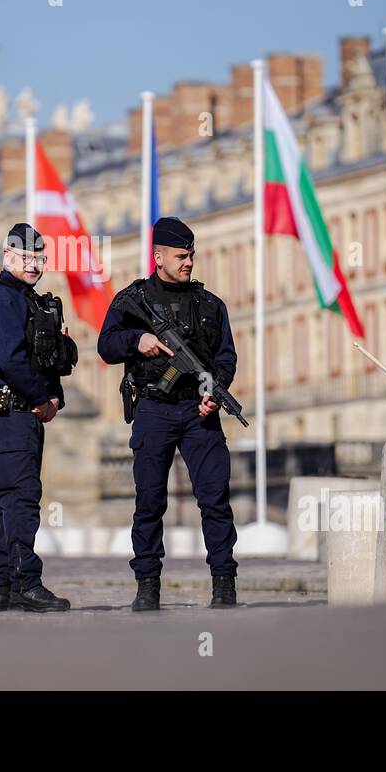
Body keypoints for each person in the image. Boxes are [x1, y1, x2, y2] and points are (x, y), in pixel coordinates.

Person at [97, 216, 239, 611]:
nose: (188, 262)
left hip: (198, 412)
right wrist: (137, 339)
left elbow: (225, 357)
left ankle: (224, 582)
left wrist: (215, 391)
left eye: (191, 255)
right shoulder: (133, 300)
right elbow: (106, 345)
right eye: (180, 255)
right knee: (149, 500)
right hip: (153, 409)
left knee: (214, 499)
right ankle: (147, 584)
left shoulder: (210, 305)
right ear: (158, 256)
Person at [0, 222, 76, 613]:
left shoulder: (28, 300)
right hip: (9, 407)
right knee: (21, 497)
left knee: (5, 496)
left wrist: (55, 396)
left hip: (18, 408)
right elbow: (11, 360)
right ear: (8, 256)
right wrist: (42, 397)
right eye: (27, 257)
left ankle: (4, 586)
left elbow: (45, 358)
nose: (34, 265)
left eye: (39, 258)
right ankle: (26, 582)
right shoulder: (0, 298)